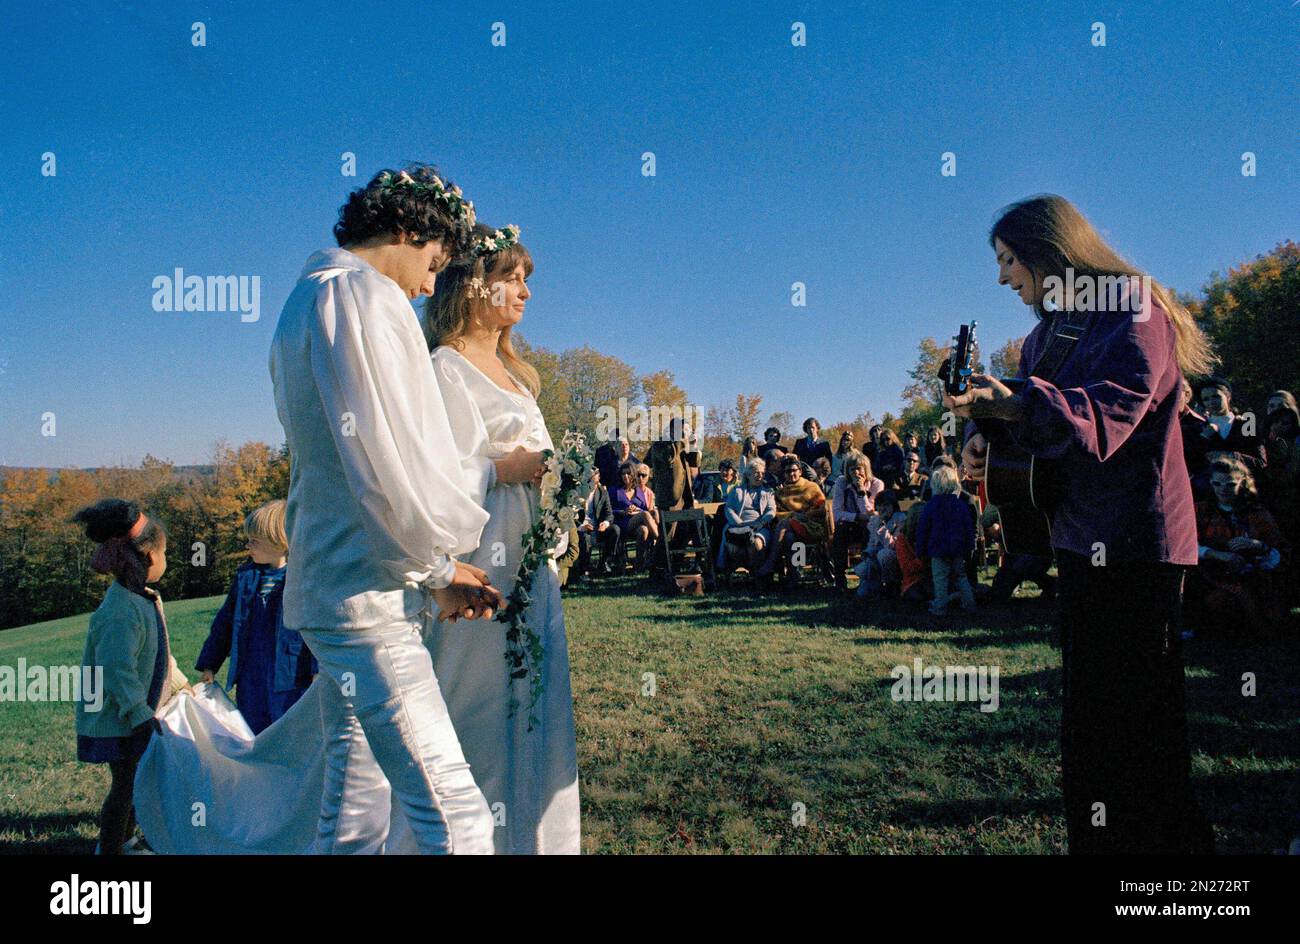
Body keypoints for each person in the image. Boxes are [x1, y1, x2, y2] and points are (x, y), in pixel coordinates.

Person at [948, 193, 1215, 854]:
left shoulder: (1134, 308)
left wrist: (1014, 408)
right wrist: (984, 435)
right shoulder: (1047, 334)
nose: (1004, 277)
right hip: (1076, 542)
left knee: (1141, 736)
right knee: (1091, 736)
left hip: (1136, 546)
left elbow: (1109, 412)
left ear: (1050, 252)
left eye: (1011, 259)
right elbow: (1030, 418)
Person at [423, 221, 581, 852]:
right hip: (478, 567)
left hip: (529, 560)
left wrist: (560, 497)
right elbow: (432, 478)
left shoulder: (519, 374)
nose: (524, 292)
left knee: (533, 693)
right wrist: (506, 469)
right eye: (510, 279)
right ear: (471, 286)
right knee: (479, 706)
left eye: (526, 281)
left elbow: (540, 461)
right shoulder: (445, 369)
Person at [73, 499, 189, 855]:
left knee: (138, 781)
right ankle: (109, 847)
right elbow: (116, 670)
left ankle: (125, 840)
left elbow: (160, 654)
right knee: (125, 787)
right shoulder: (121, 611)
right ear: (150, 556)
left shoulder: (144, 599)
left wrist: (182, 686)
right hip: (119, 718)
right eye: (165, 552)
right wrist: (139, 712)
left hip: (136, 716)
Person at [195, 500, 315, 735]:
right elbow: (224, 624)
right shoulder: (245, 579)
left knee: (291, 734)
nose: (248, 545)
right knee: (254, 733)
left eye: (254, 541)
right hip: (250, 675)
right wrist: (209, 664)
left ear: (280, 543)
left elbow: (315, 629)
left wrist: (316, 669)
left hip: (291, 676)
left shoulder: (302, 580)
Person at [1188, 455, 1287, 633]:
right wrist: (1214, 553)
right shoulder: (1200, 510)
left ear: (1242, 483)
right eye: (1217, 484)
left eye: (1230, 485)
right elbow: (1185, 546)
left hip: (1251, 577)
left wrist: (1257, 546)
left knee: (1268, 612)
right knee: (1218, 601)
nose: (1223, 490)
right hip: (1207, 576)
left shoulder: (1258, 514)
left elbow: (1281, 555)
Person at [757, 455, 828, 586]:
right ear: (783, 474)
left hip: (811, 527)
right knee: (789, 536)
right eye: (788, 471)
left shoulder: (811, 487)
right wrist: (793, 515)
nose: (791, 473)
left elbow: (821, 509)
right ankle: (793, 575)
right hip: (789, 530)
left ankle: (771, 563)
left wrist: (804, 516)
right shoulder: (780, 492)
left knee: (785, 524)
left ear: (800, 471)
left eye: (794, 470)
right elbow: (776, 513)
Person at [915, 466, 977, 615]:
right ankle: (970, 605)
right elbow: (969, 528)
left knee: (940, 580)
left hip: (938, 550)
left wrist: (920, 550)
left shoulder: (930, 506)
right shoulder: (961, 505)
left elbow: (923, 530)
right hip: (957, 549)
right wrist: (971, 546)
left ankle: (940, 608)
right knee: (961, 578)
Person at [829, 453, 882, 591]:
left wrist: (861, 491)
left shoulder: (877, 484)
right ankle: (840, 580)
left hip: (869, 526)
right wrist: (857, 517)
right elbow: (837, 513)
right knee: (840, 531)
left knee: (867, 528)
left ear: (866, 469)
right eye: (852, 469)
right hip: (848, 525)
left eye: (859, 468)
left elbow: (870, 514)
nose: (856, 472)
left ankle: (866, 577)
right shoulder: (841, 482)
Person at [718, 458, 777, 579]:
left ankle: (758, 577)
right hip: (738, 527)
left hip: (760, 527)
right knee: (734, 544)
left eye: (762, 473)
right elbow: (728, 508)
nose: (760, 476)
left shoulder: (768, 492)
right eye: (756, 473)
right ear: (748, 475)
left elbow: (771, 510)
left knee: (756, 543)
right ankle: (734, 572)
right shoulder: (737, 491)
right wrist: (739, 523)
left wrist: (760, 522)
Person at [1196, 377, 1267, 472]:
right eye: (1206, 399)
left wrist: (1229, 456)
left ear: (1228, 397)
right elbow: (1192, 461)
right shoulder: (1199, 427)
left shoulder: (1246, 425)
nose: (1211, 402)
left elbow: (1261, 462)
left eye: (1216, 396)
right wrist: (1204, 437)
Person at [610, 460, 658, 569]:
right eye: (623, 473)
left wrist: (637, 510)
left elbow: (644, 508)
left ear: (633, 474)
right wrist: (624, 511)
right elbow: (609, 511)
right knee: (645, 515)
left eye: (628, 473)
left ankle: (639, 562)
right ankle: (660, 540)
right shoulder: (615, 490)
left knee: (644, 530)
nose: (625, 476)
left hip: (636, 523)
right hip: (623, 523)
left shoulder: (638, 490)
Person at [577, 483, 620, 577]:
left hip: (598, 527)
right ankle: (584, 569)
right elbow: (572, 515)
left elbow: (609, 514)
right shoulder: (577, 491)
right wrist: (582, 526)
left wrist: (605, 523)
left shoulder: (602, 492)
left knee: (615, 530)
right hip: (582, 527)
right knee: (585, 536)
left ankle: (604, 562)